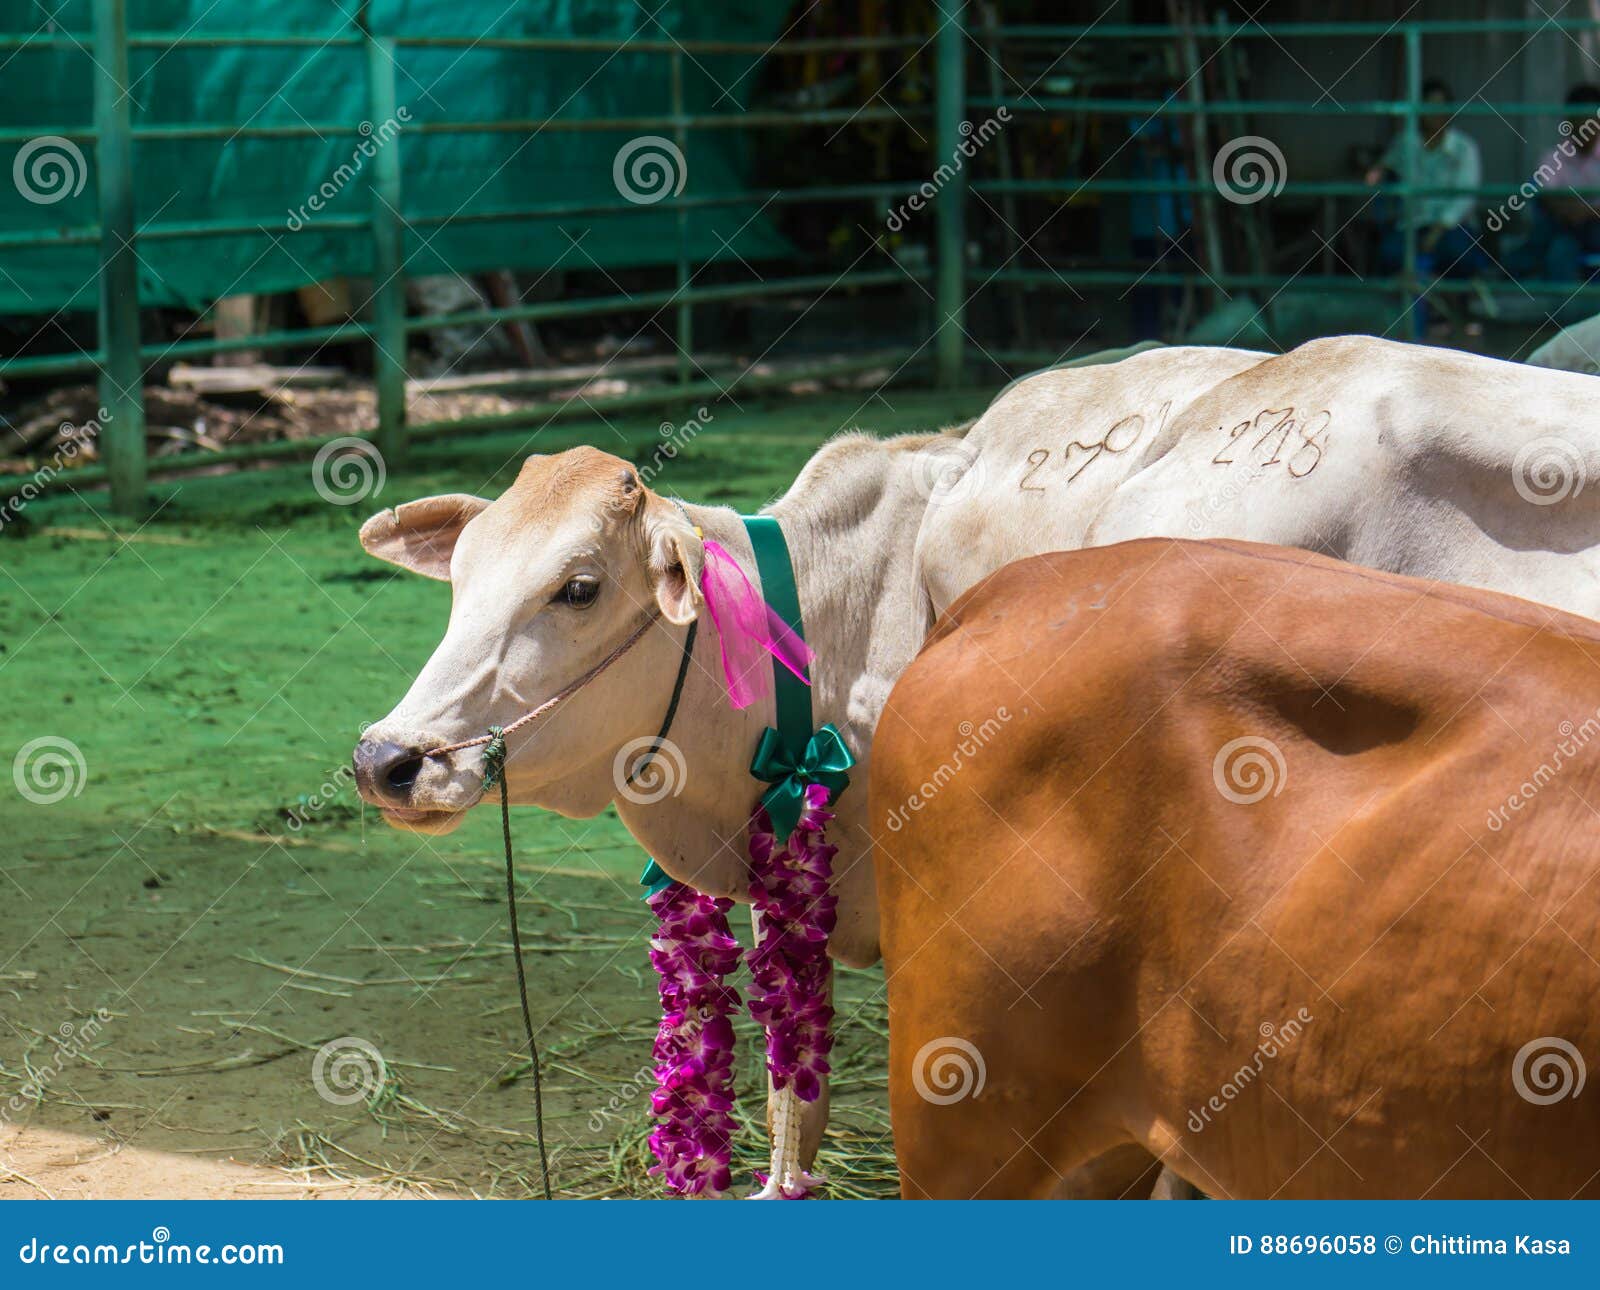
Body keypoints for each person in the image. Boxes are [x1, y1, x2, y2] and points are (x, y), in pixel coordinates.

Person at [1365, 77, 1485, 277]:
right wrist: (1374, 173)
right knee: (1389, 254)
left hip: (1452, 227)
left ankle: (1451, 305)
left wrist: (1437, 232)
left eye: (1441, 106)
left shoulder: (1465, 148)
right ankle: (1404, 306)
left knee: (1458, 255)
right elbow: (1383, 166)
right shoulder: (1406, 143)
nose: (1436, 113)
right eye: (1429, 106)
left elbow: (1465, 198)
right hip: (1413, 225)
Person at [1535, 84, 1600, 280]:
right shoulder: (1552, 157)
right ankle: (1566, 310)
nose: (1584, 124)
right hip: (1568, 230)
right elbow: (1547, 197)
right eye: (1578, 117)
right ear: (1568, 120)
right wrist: (1571, 213)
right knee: (1559, 253)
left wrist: (1587, 212)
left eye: (1590, 117)